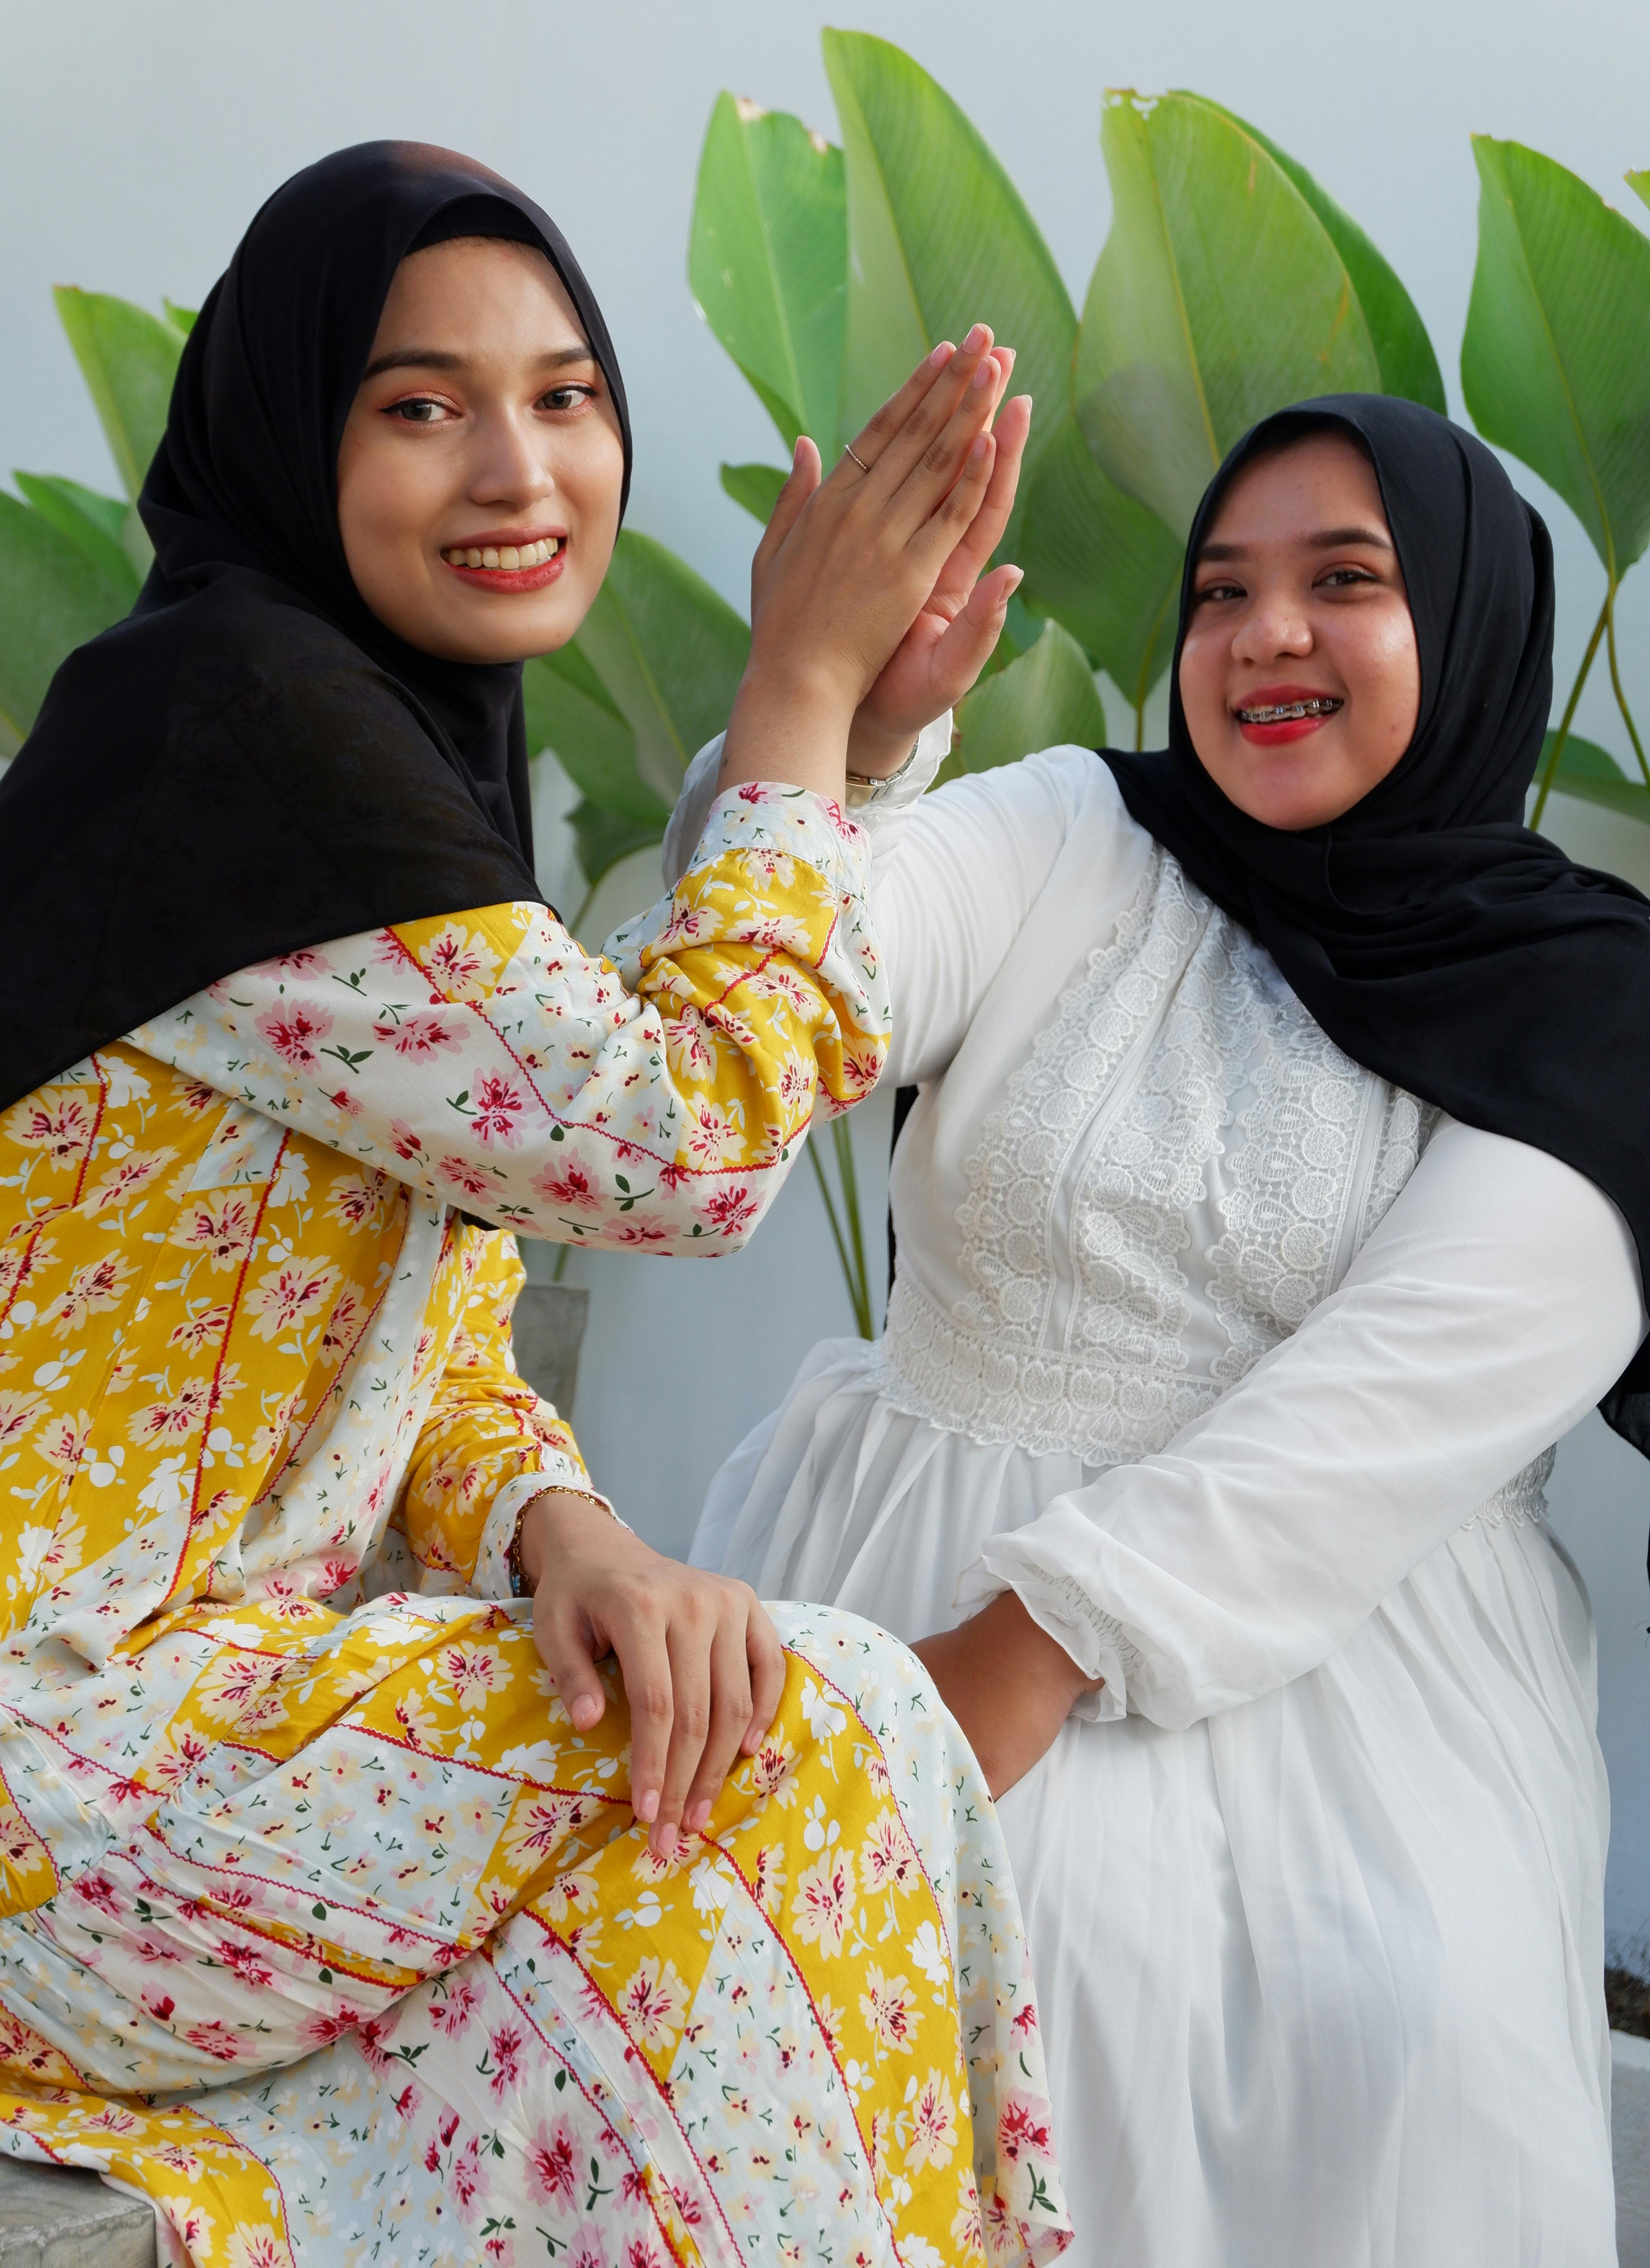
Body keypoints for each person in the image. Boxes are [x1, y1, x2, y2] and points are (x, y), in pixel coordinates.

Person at [0, 141, 1073, 2266]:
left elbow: (445, 1333)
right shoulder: (236, 730)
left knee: (697, 1776)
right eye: (420, 406)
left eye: (567, 396)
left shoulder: (347, 730)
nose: (518, 469)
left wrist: (562, 1532)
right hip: (64, 1772)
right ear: (296, 436)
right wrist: (799, 698)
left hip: (183, 1739)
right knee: (827, 1716)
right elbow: (682, 1150)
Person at [683, 396, 1650, 2266]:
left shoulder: (1587, 1004)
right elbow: (795, 978)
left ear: (1460, 634)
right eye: (1222, 591)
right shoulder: (1073, 831)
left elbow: (1382, 1410)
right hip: (894, 1563)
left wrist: (994, 1682)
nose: (1262, 634)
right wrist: (841, 725)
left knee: (1376, 2038)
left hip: (1343, 1672)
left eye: (1341, 583)